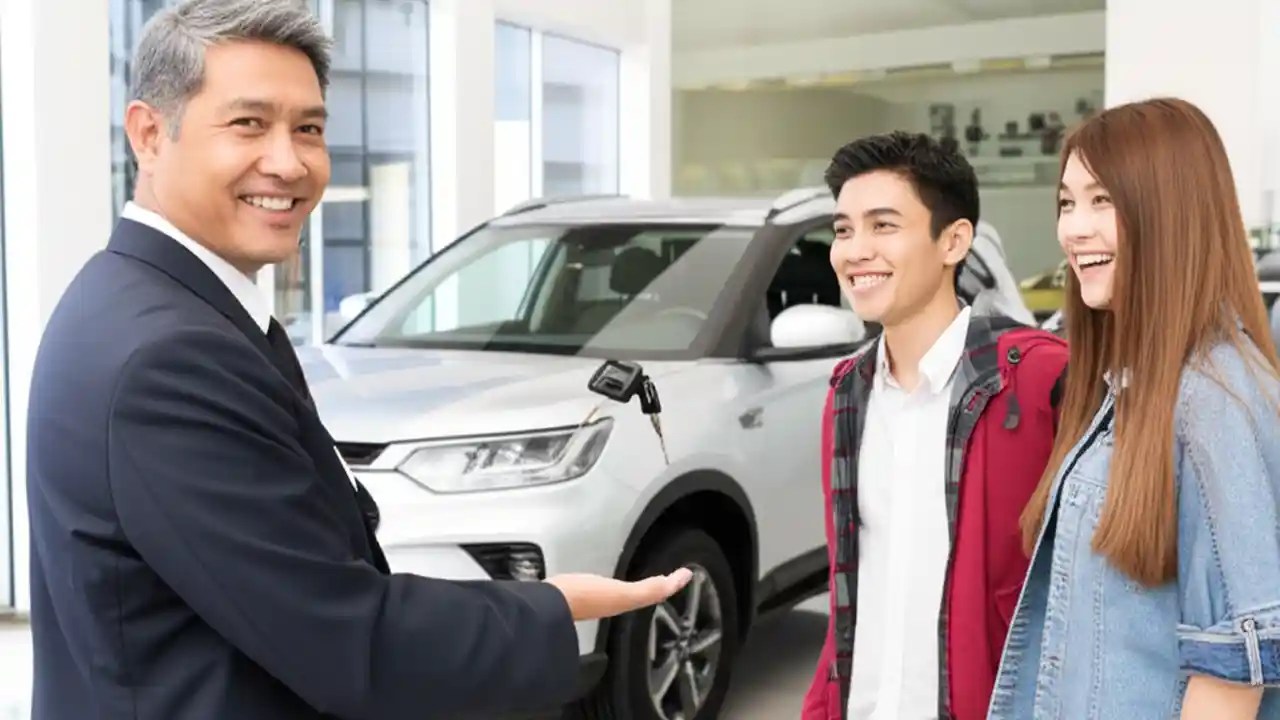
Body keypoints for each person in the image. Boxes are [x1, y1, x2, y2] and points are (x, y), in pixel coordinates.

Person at [25, 2, 689, 718]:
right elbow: (348, 639)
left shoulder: (137, 298)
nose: (289, 161)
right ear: (150, 135)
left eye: (309, 128)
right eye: (248, 123)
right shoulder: (169, 357)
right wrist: (554, 608)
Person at [988, 97, 1280, 719]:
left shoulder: (1210, 399)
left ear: (1172, 213)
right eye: (1067, 203)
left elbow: (1231, 680)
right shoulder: (1136, 383)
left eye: (1102, 200)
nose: (1074, 228)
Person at [800, 131, 1068, 720]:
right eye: (844, 229)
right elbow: (852, 588)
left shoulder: (1037, 381)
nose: (854, 250)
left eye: (883, 225)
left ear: (954, 241)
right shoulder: (848, 393)